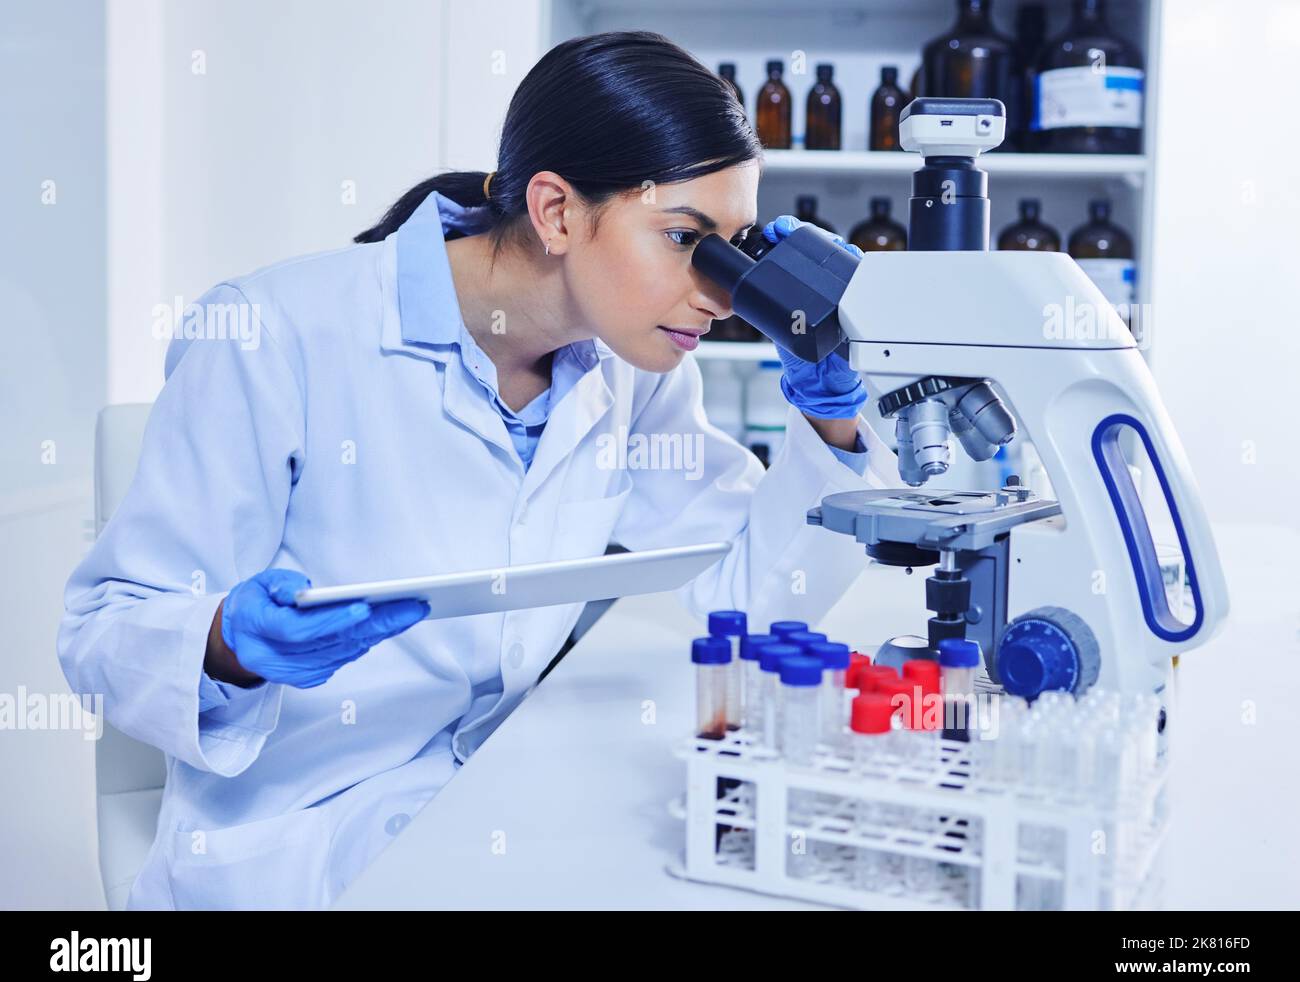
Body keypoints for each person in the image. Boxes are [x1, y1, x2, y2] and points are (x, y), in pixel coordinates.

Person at [57, 30, 901, 909]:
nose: (724, 295)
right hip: (305, 837)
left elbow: (752, 596)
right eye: (687, 239)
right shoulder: (275, 333)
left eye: (739, 247)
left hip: (504, 800)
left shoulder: (625, 370)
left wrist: (832, 420)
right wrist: (227, 642)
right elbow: (104, 630)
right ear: (556, 211)